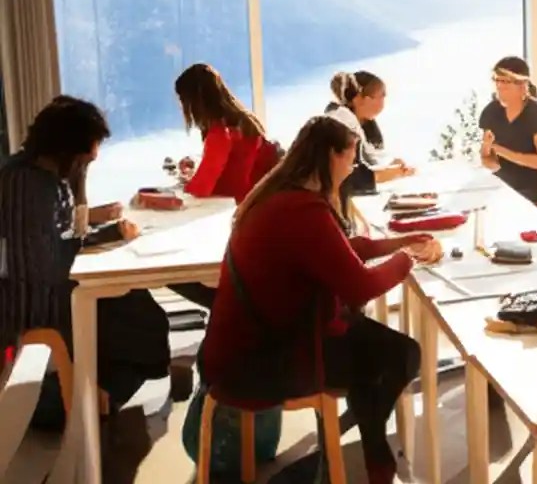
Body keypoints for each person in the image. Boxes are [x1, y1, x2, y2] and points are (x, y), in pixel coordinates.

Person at [199, 116, 439, 484]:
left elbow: (338, 251)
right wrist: (409, 258)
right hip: (263, 362)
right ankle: (367, 456)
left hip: (241, 348)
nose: (352, 168)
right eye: (351, 159)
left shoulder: (280, 196)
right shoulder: (303, 211)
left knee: (381, 354)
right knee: (399, 355)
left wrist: (397, 243)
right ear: (331, 156)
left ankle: (370, 453)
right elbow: (359, 287)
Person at [0, 96, 170, 428]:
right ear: (67, 150)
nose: (89, 162)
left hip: (47, 292)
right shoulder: (25, 185)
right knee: (137, 317)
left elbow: (51, 230)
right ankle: (76, 397)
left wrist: (91, 219)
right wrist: (103, 237)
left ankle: (96, 389)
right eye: (86, 157)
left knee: (138, 310)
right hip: (33, 310)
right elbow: (43, 267)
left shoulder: (39, 177)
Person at [174, 63, 277, 202]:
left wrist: (179, 190)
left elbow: (201, 188)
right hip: (265, 198)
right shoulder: (243, 121)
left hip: (250, 206)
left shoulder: (221, 133)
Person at [479, 56, 537, 202]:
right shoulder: (490, 112)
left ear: (522, 85)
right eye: (496, 81)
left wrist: (502, 151)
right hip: (500, 186)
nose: (499, 87)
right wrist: (488, 154)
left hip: (532, 190)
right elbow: (488, 159)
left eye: (505, 82)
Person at [326, 71, 414, 195]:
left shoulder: (360, 124)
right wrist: (391, 173)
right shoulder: (340, 124)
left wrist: (388, 168)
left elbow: (364, 165)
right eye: (382, 95)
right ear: (363, 99)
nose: (384, 101)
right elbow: (347, 177)